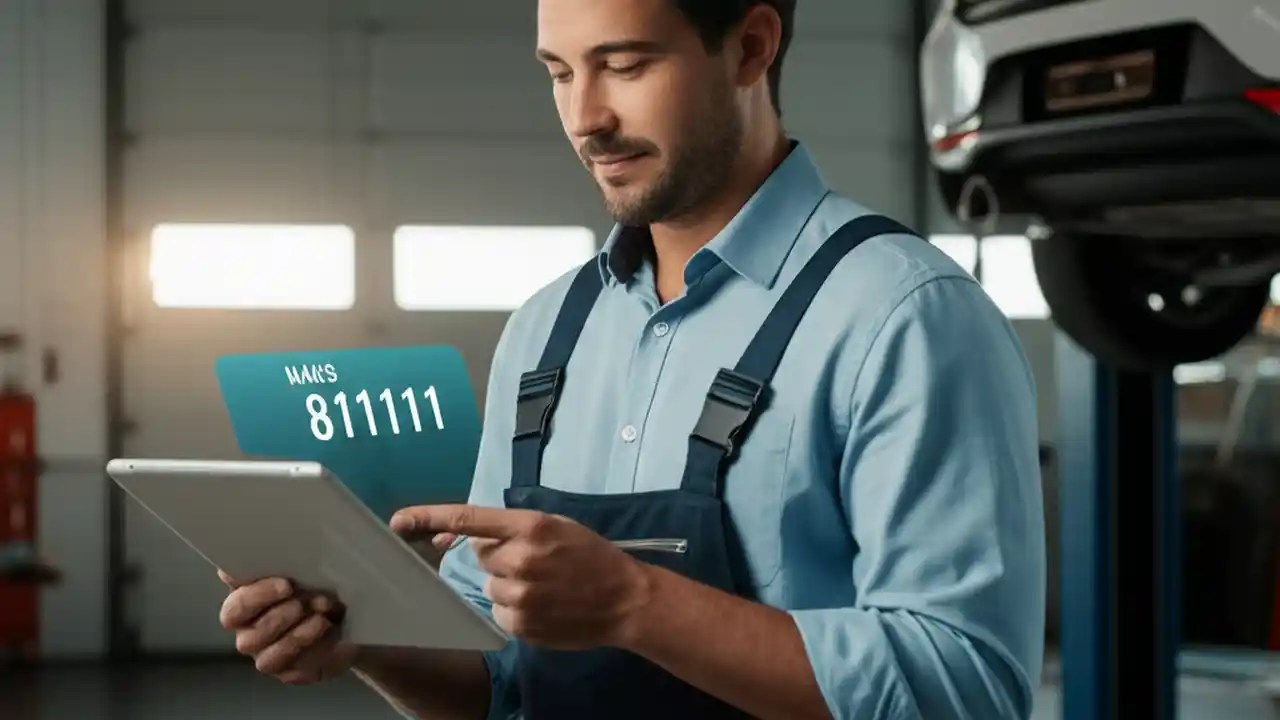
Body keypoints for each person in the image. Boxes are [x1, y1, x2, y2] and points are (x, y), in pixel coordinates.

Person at [215, 0, 1046, 717]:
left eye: (624, 64)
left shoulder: (904, 317)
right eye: (559, 72)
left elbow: (963, 687)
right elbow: (503, 674)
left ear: (753, 47)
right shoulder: (545, 330)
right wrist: (364, 642)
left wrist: (633, 601)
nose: (586, 118)